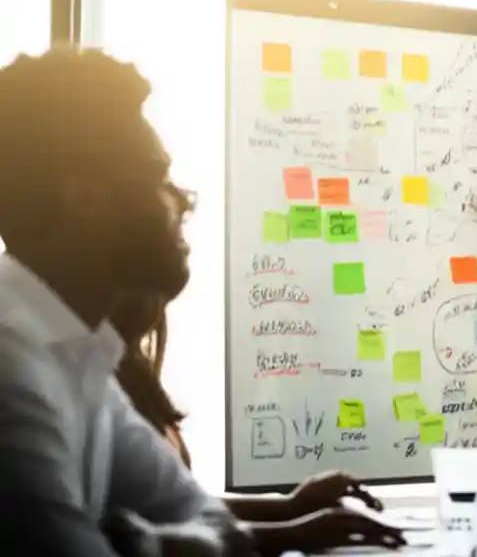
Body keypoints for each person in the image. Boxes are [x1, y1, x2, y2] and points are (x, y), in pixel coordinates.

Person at [0, 47, 400, 556]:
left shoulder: (79, 353)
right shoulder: (12, 366)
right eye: (155, 174)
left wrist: (153, 545)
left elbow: (200, 514)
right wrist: (159, 547)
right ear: (84, 196)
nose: (182, 199)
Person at [112, 293, 401, 553]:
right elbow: (145, 532)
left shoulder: (131, 368)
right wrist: (292, 533)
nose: (183, 243)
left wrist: (292, 506)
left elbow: (184, 506)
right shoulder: (97, 383)